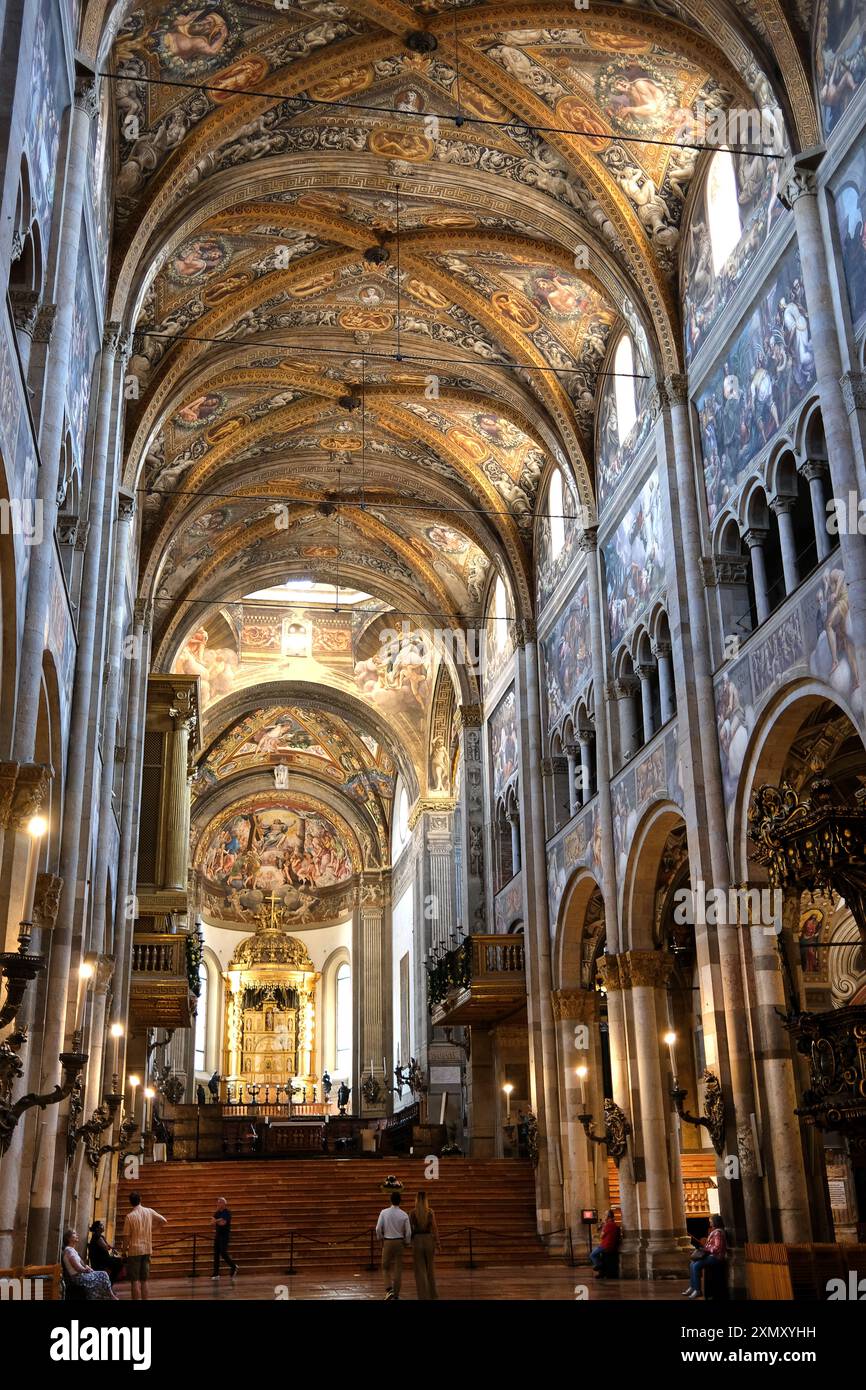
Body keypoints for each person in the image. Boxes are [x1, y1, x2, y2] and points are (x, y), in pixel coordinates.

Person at [122, 1190, 167, 1301]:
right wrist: (152, 1229)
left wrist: (123, 1251)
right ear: (140, 1199)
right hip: (147, 1249)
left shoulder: (129, 1217)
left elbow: (126, 1237)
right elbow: (164, 1221)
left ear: (130, 1202)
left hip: (134, 1251)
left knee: (135, 1280)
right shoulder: (149, 1211)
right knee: (144, 1280)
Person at [61, 1228, 118, 1300]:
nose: (77, 1235)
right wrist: (86, 1270)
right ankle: (111, 1296)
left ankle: (107, 1296)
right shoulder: (69, 1251)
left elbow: (81, 1264)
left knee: (102, 1275)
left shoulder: (71, 1250)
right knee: (103, 1275)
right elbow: (77, 1268)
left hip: (80, 1275)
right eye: (74, 1234)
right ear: (69, 1238)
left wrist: (87, 1267)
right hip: (78, 1278)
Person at [375, 1190, 412, 1300]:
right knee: (398, 1269)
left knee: (385, 1267)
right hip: (399, 1242)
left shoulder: (384, 1212)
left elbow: (378, 1228)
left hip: (387, 1241)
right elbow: (409, 1232)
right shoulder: (404, 1214)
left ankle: (388, 1289)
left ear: (390, 1200)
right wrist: (407, 1242)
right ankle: (396, 1295)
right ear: (400, 1201)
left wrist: (380, 1238)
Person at [684, 1213, 728, 1299]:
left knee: (696, 1265)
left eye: (711, 1221)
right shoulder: (715, 1231)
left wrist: (706, 1249)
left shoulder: (718, 1233)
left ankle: (697, 1290)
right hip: (711, 1255)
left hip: (716, 1257)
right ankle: (693, 1287)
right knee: (692, 1264)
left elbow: (717, 1247)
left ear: (715, 1222)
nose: (710, 1223)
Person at [410, 1190, 441, 1300]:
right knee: (430, 1269)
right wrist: (438, 1243)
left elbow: (410, 1229)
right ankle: (433, 1295)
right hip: (429, 1240)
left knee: (420, 1270)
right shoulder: (430, 1212)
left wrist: (409, 1242)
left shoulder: (413, 1213)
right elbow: (435, 1228)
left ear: (417, 1200)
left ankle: (423, 1296)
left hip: (418, 1240)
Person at [87, 1220, 123, 1285]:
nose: (103, 1226)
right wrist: (110, 1248)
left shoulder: (101, 1236)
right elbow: (106, 1247)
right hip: (100, 1260)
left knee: (118, 1262)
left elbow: (108, 1245)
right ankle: (109, 1283)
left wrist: (112, 1248)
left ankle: (109, 1282)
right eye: (101, 1225)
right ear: (97, 1228)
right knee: (118, 1263)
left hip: (104, 1258)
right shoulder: (97, 1237)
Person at [212, 1196, 238, 1280]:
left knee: (223, 1253)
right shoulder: (217, 1213)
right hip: (217, 1236)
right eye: (218, 1202)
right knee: (216, 1254)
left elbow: (223, 1223)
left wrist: (217, 1220)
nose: (218, 1204)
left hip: (224, 1236)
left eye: (220, 1202)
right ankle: (216, 1274)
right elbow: (212, 1221)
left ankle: (233, 1266)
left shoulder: (227, 1212)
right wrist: (218, 1220)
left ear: (224, 1204)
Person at [589, 1209, 620, 1277]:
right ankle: (601, 1271)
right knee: (597, 1252)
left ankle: (600, 1265)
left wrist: (602, 1228)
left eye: (605, 1215)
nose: (604, 1216)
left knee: (592, 1255)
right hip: (610, 1245)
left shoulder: (608, 1225)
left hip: (606, 1245)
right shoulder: (613, 1224)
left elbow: (601, 1236)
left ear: (608, 1216)